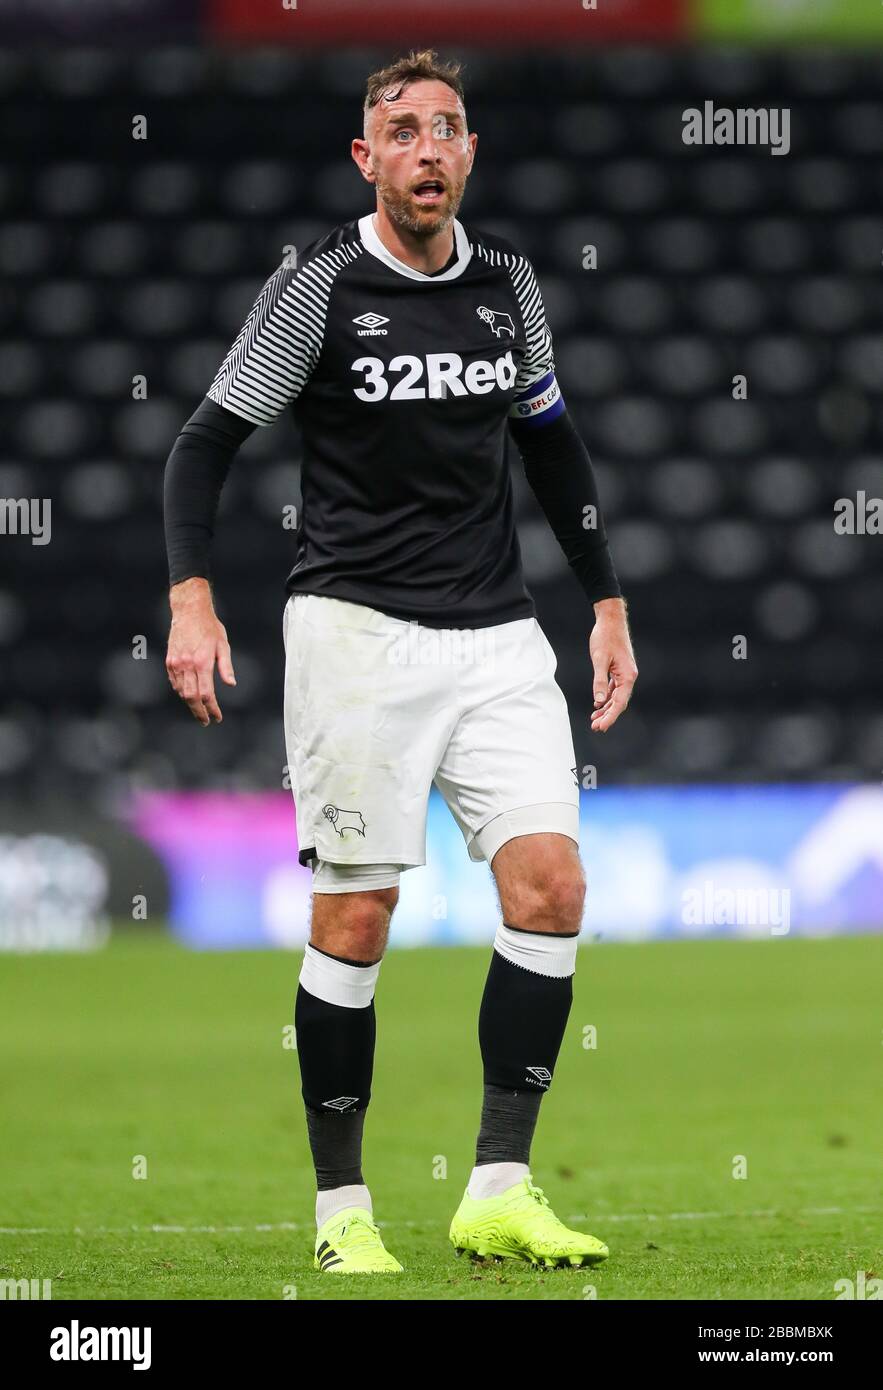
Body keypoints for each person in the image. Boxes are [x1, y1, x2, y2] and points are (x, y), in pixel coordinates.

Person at [163, 48, 637, 1274]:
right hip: (357, 634)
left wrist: (606, 603)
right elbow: (203, 445)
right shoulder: (320, 289)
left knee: (551, 888)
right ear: (366, 159)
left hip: (496, 635)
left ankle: (497, 1187)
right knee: (357, 917)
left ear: (471, 152)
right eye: (403, 130)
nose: (429, 147)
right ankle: (341, 1215)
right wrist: (193, 599)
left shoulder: (510, 286)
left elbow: (554, 451)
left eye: (449, 127)